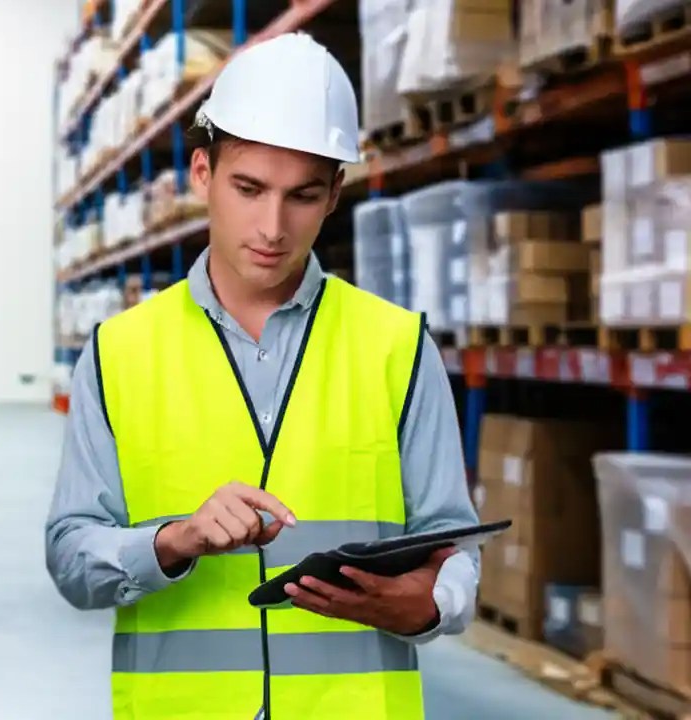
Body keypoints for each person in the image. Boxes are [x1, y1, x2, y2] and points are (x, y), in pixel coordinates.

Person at [44, 32, 481, 720]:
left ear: (336, 192)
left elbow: (452, 540)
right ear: (201, 174)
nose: (272, 226)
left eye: (302, 196)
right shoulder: (118, 351)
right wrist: (174, 539)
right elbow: (73, 558)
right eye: (248, 188)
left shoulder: (397, 345)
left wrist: (432, 604)